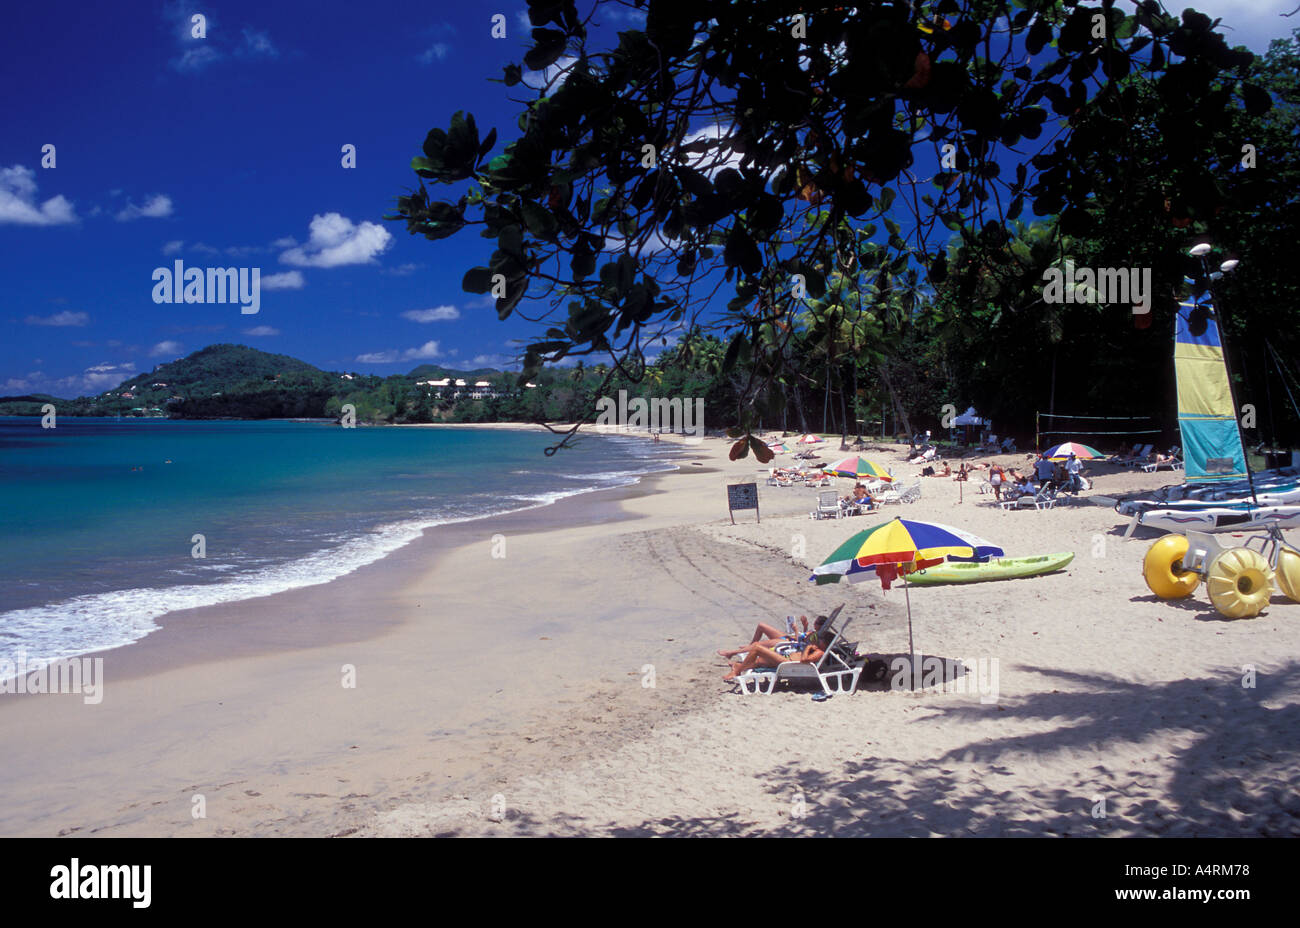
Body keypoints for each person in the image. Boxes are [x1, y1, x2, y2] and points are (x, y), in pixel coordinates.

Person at [722, 615, 832, 681]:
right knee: (760, 660)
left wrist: (808, 647)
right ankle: (739, 665)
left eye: (821, 640)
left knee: (757, 647)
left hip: (787, 661)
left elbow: (804, 660)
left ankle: (738, 671)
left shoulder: (820, 652)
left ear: (825, 643)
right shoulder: (817, 647)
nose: (819, 641)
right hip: (787, 657)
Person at [717, 615, 813, 659]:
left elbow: (801, 645)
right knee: (761, 625)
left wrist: (796, 630)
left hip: (790, 645)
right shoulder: (818, 632)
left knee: (757, 645)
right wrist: (805, 626)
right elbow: (805, 638)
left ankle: (731, 653)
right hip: (790, 639)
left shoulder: (819, 637)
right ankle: (748, 648)